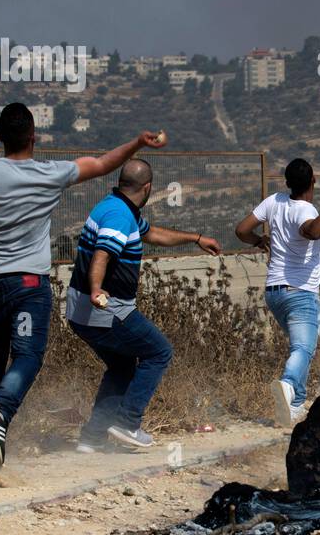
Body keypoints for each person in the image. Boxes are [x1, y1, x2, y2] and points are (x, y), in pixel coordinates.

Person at [0, 103, 165, 468]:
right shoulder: (49, 173)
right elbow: (104, 164)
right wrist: (136, 143)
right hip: (29, 285)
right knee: (28, 356)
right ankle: (0, 413)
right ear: (34, 137)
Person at [66, 159, 221, 451]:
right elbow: (102, 255)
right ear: (148, 188)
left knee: (122, 366)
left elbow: (152, 234)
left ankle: (92, 438)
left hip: (80, 311)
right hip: (105, 309)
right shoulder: (119, 216)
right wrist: (97, 288)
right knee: (159, 352)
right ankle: (128, 422)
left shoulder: (117, 207)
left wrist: (196, 238)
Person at [234, 158, 320, 427]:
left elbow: (241, 230)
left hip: (275, 293)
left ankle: (296, 405)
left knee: (301, 349)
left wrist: (258, 240)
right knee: (303, 349)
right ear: (313, 182)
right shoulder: (306, 210)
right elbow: (313, 230)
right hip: (300, 293)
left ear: (287, 183)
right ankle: (287, 386)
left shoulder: (274, 201)